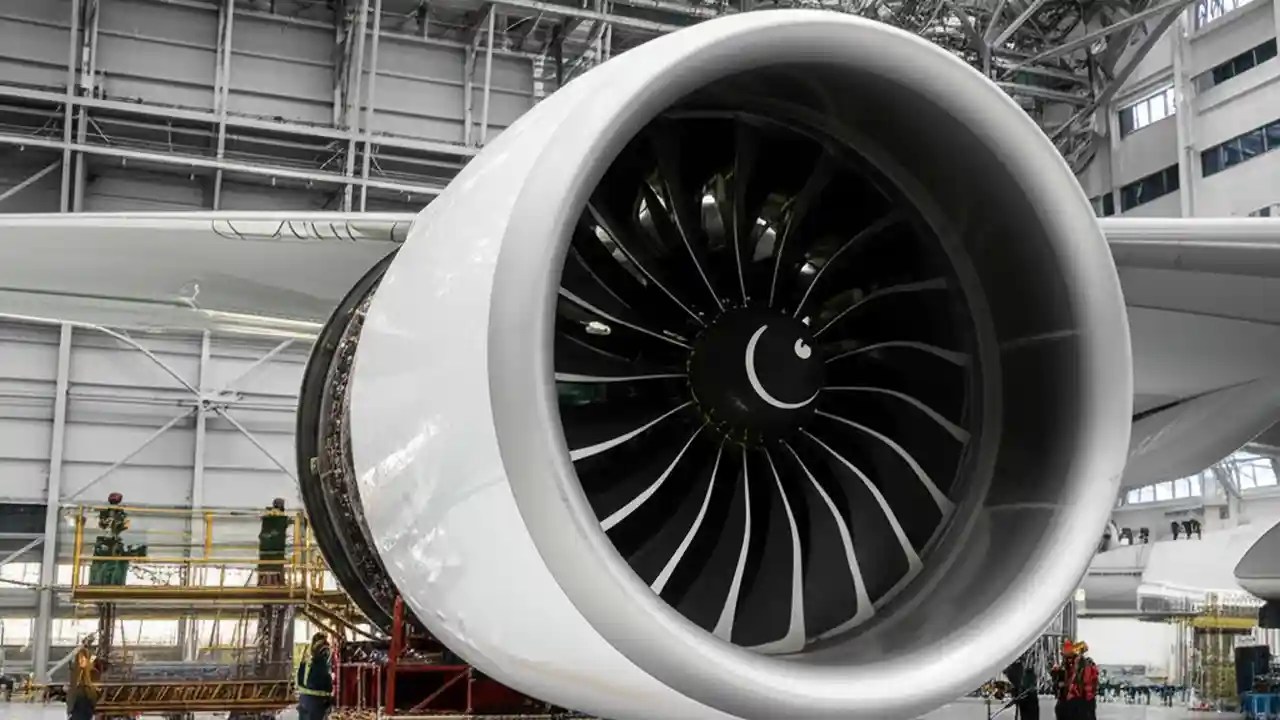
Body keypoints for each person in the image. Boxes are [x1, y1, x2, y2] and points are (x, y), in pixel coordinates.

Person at [296, 632, 333, 720]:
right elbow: (325, 682)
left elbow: (300, 677)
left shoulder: (306, 658)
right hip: (317, 702)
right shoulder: (321, 660)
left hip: (304, 700)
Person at [258, 498, 292, 586]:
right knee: (274, 566)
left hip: (267, 550)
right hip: (275, 550)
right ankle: (274, 583)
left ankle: (266, 582)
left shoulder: (268, 517)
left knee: (269, 567)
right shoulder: (278, 518)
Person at [66, 636, 100, 720]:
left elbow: (93, 658)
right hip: (78, 704)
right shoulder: (76, 671)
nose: (81, 660)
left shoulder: (92, 670)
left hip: (85, 701)